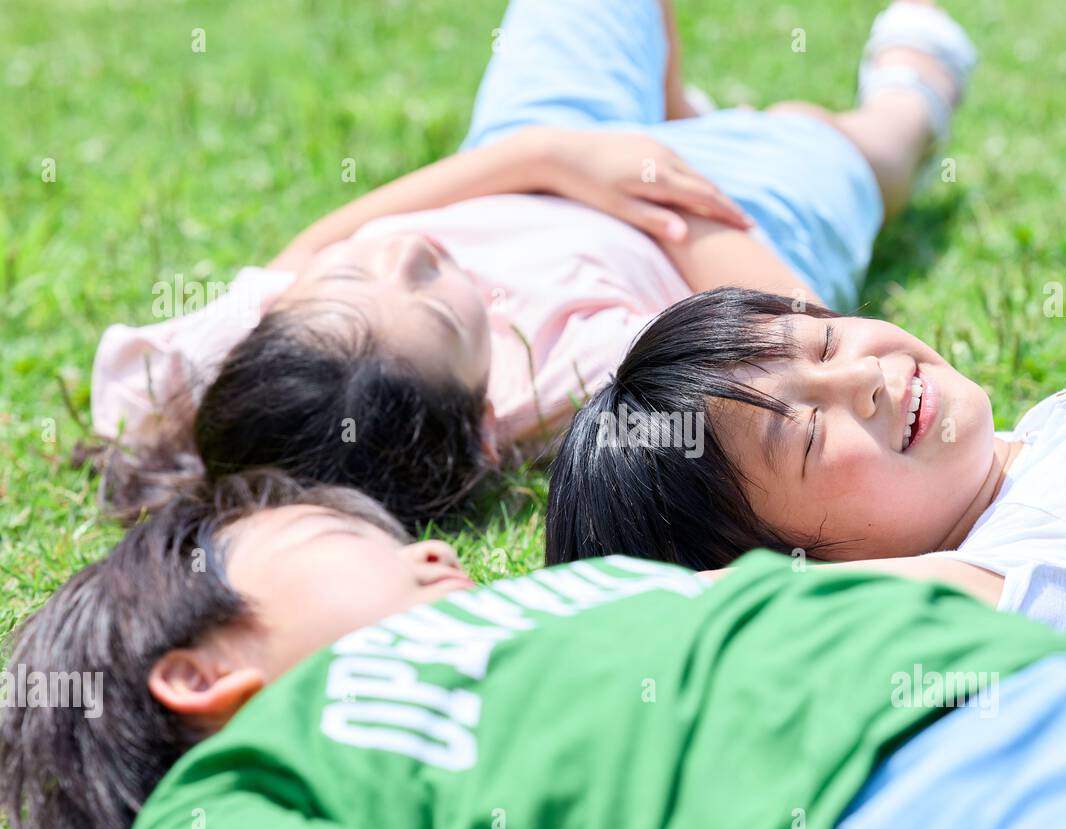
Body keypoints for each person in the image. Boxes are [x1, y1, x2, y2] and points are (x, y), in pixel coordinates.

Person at [2, 471, 1066, 829]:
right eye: (356, 541)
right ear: (201, 672)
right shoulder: (262, 778)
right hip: (929, 803)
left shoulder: (575, 605)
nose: (442, 546)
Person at [92, 0, 977, 533]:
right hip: (716, 213)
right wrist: (675, 198)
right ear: (482, 424)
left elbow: (316, 247)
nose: (411, 247)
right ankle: (908, 91)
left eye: (355, 271)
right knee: (847, 150)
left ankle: (674, 108)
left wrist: (558, 156)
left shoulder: (265, 365)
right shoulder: (561, 381)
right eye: (437, 305)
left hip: (533, 149)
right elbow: (787, 317)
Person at [546, 287, 1066, 662]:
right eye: (806, 435)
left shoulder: (1039, 438)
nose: (864, 378)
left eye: (826, 340)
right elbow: (687, 609)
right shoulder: (1037, 569)